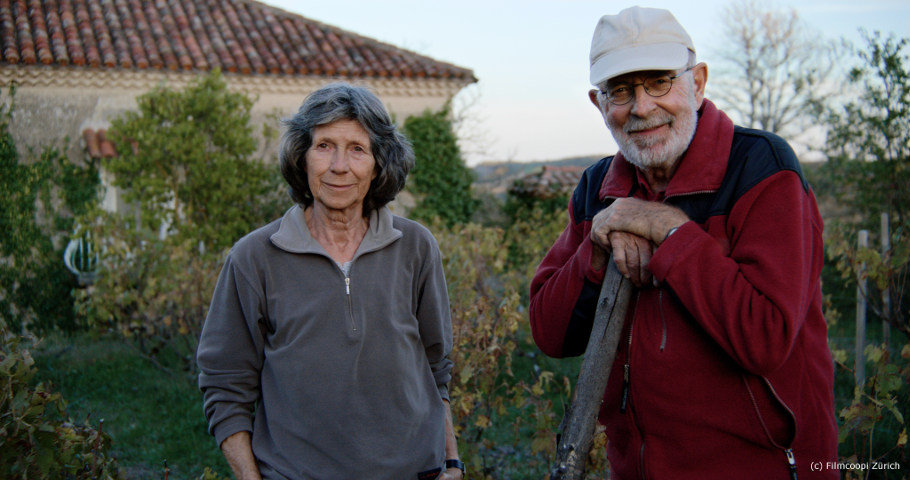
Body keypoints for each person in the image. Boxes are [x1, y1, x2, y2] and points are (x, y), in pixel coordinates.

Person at [529, 6, 838, 479]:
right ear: (599, 103)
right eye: (621, 90)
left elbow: (765, 337)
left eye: (658, 82)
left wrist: (667, 230)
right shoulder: (599, 190)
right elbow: (550, 333)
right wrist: (597, 244)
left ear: (697, 83)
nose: (641, 107)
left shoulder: (762, 168)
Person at [197, 83, 464, 480]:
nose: (340, 165)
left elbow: (435, 367)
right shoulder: (254, 257)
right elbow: (225, 386)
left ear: (378, 164)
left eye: (357, 148)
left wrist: (453, 464)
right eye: (324, 146)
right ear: (301, 158)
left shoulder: (416, 247)